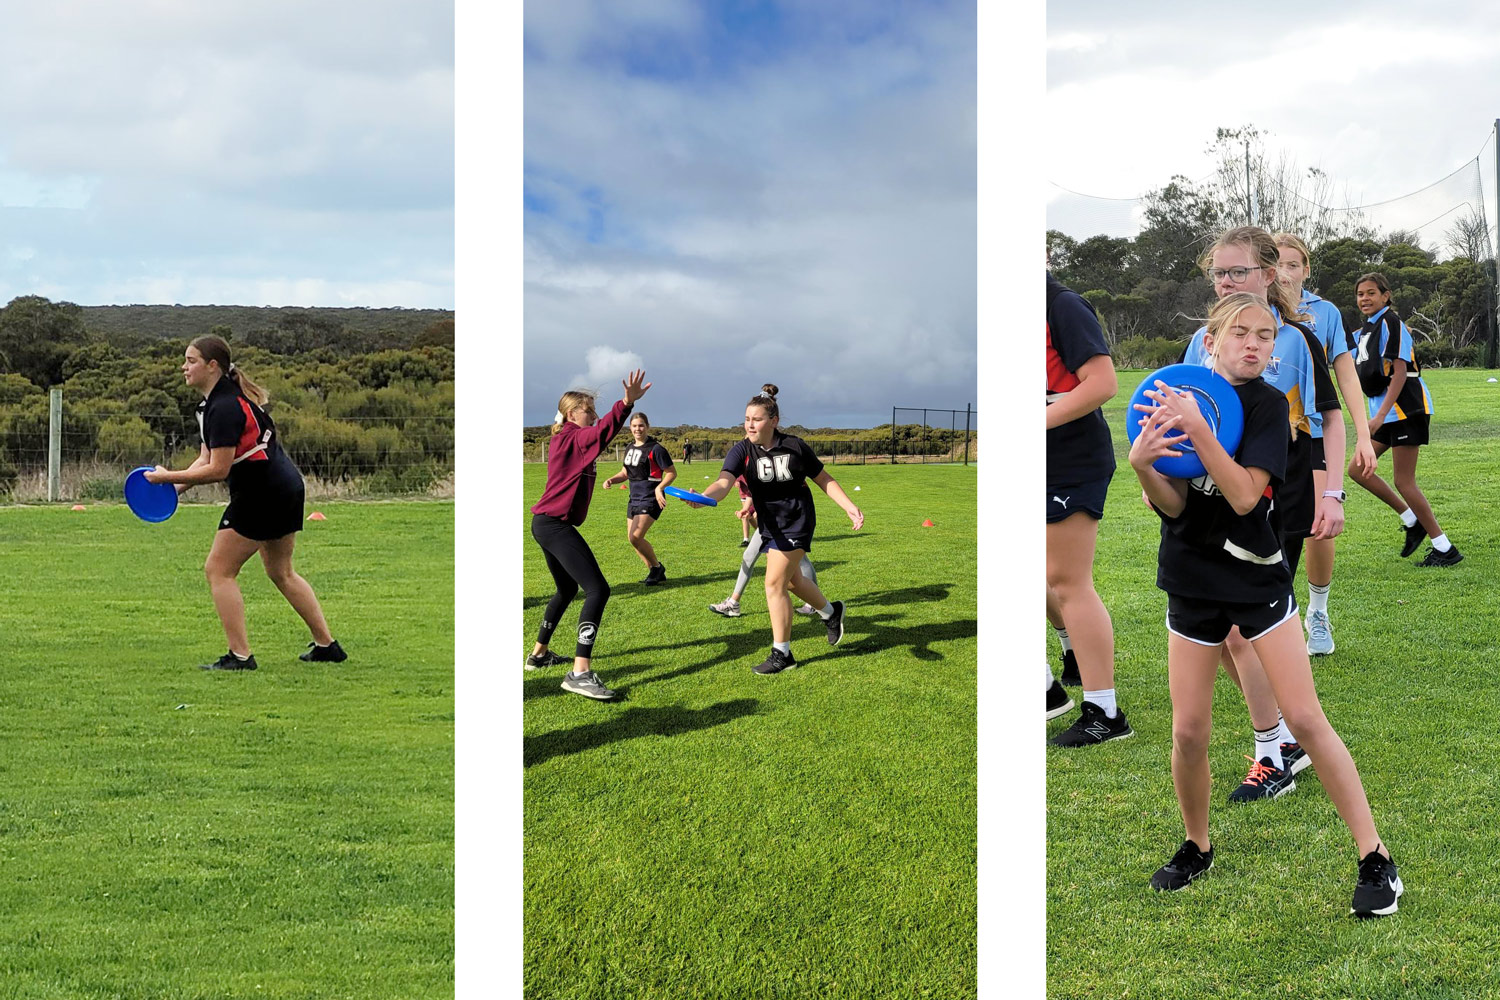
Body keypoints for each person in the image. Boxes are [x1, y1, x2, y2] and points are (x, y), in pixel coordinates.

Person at [1130, 292, 1401, 916]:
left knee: (1304, 719)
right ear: (1211, 340)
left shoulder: (1266, 408)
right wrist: (1143, 467)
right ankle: (1197, 846)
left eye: (1266, 336)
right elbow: (1173, 505)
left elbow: (1246, 497)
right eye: (1242, 334)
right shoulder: (1178, 394)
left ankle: (1375, 857)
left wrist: (1199, 432)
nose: (1255, 344)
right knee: (1189, 730)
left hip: (1254, 579)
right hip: (1191, 579)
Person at [1179, 226, 1347, 800]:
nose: (1226, 282)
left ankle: (1272, 750)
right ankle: (1278, 741)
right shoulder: (1204, 340)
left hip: (1276, 502)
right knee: (1229, 637)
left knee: (1246, 633)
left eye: (1238, 272)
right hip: (1214, 507)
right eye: (1219, 274)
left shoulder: (1295, 339)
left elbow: (1330, 416)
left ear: (1268, 275)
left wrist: (1333, 493)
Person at [144, 335, 345, 671]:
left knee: (219, 570)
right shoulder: (218, 403)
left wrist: (166, 477)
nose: (184, 367)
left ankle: (240, 656)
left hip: (261, 494)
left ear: (213, 366)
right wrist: (175, 489)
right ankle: (327, 646)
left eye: (191, 361)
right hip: (285, 487)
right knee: (281, 572)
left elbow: (218, 470)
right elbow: (206, 457)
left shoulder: (223, 408)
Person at [680, 385, 862, 674]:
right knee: (791, 583)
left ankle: (782, 654)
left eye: (757, 419)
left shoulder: (794, 446)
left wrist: (848, 505)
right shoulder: (742, 449)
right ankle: (831, 612)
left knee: (773, 584)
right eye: (746, 419)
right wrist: (704, 498)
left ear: (773, 421)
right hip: (769, 524)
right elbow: (724, 482)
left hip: (797, 520)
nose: (750, 424)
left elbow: (823, 478)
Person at [1273, 233, 1377, 655]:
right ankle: (1277, 613)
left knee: (1318, 524)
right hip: (1265, 438)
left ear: (1306, 269)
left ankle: (1318, 612)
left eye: (1293, 264)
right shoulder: (1255, 307)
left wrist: (1364, 434)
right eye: (1276, 263)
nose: (1284, 272)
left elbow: (1346, 374)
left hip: (1312, 432)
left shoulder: (1325, 312)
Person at [527, 369, 651, 700]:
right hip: (554, 525)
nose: (594, 415)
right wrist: (625, 403)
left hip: (546, 523)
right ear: (571, 413)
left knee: (566, 589)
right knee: (598, 589)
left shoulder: (571, 440)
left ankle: (539, 654)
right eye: (589, 410)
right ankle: (580, 673)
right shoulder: (570, 438)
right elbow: (601, 433)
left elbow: (598, 434)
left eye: (595, 411)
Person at [1046, 272, 1131, 743]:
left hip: (1071, 461)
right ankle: (1053, 683)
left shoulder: (1062, 305)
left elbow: (1102, 383)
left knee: (1069, 582)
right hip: (1040, 459)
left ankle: (1105, 712)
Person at [1345, 272, 1461, 567]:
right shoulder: (1364, 332)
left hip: (1406, 409)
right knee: (1358, 470)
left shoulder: (1392, 324)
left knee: (1403, 480)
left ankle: (1444, 548)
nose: (1365, 299)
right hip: (1386, 413)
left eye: (1371, 293)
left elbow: (1400, 372)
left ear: (1386, 296)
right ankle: (1412, 520)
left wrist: (1379, 416)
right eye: (1360, 294)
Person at [708, 473, 819, 617]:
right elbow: (750, 492)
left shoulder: (762, 459)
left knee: (800, 559)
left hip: (787, 517)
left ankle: (815, 603)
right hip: (769, 520)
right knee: (749, 556)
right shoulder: (744, 462)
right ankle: (733, 603)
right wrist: (747, 508)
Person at [601, 412, 675, 585]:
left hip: (650, 499)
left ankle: (657, 568)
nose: (638, 429)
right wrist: (612, 479)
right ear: (630, 428)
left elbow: (671, 473)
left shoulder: (656, 449)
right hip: (633, 498)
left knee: (635, 536)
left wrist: (660, 487)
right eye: (634, 426)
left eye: (641, 425)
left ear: (647, 427)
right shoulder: (629, 448)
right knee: (633, 539)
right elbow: (625, 473)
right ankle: (654, 571)